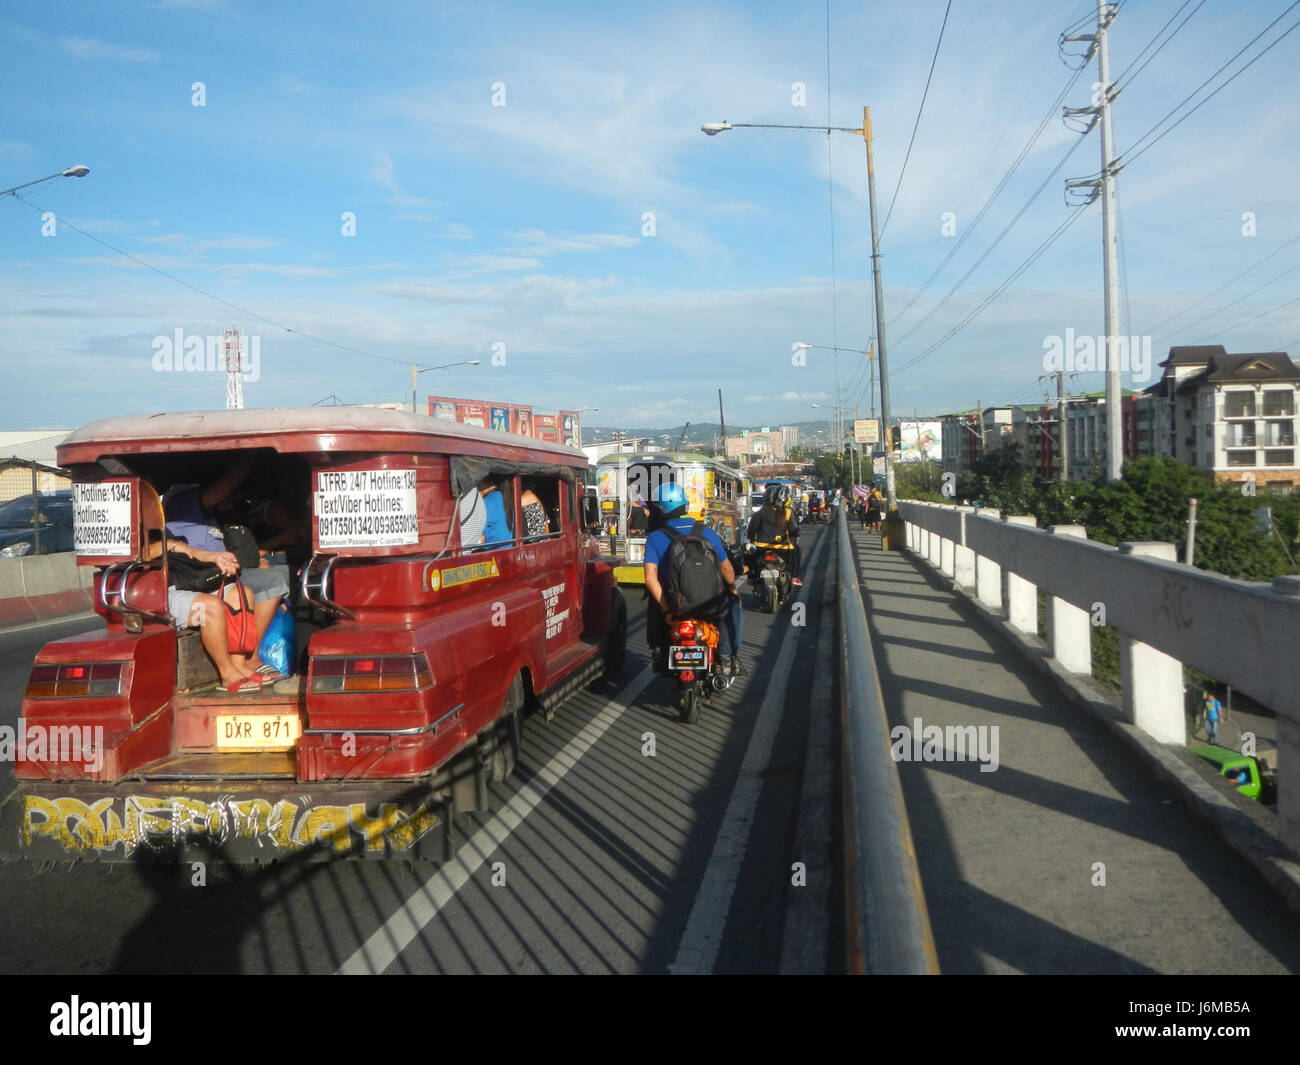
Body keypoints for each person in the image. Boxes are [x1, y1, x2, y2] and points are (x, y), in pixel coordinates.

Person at [162, 459, 291, 682]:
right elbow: (224, 488)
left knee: (272, 581)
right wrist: (250, 457)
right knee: (227, 599)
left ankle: (248, 658)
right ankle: (231, 670)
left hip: (222, 574)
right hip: (197, 578)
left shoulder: (213, 517)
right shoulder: (183, 499)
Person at [643, 482, 745, 678]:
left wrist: (667, 610)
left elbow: (650, 579)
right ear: (685, 505)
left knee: (653, 602)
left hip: (676, 605)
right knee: (733, 606)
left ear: (660, 510)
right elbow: (726, 569)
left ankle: (658, 651)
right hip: (710, 603)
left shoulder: (655, 538)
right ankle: (725, 656)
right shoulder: (706, 533)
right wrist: (732, 587)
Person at [747, 482, 802, 586]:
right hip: (783, 549)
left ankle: (751, 577)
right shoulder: (788, 513)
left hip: (761, 548)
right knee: (797, 550)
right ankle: (795, 577)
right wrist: (797, 533)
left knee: (747, 552)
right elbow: (794, 529)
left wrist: (751, 539)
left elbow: (752, 528)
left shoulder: (762, 511)